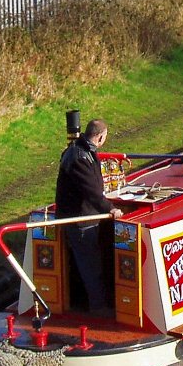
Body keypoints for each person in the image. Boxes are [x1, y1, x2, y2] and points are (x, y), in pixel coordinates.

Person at [55, 119, 123, 314]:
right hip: (80, 220)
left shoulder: (82, 150)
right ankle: (99, 309)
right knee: (90, 266)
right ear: (101, 137)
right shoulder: (79, 157)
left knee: (92, 263)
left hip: (85, 217)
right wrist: (110, 208)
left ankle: (100, 302)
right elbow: (90, 190)